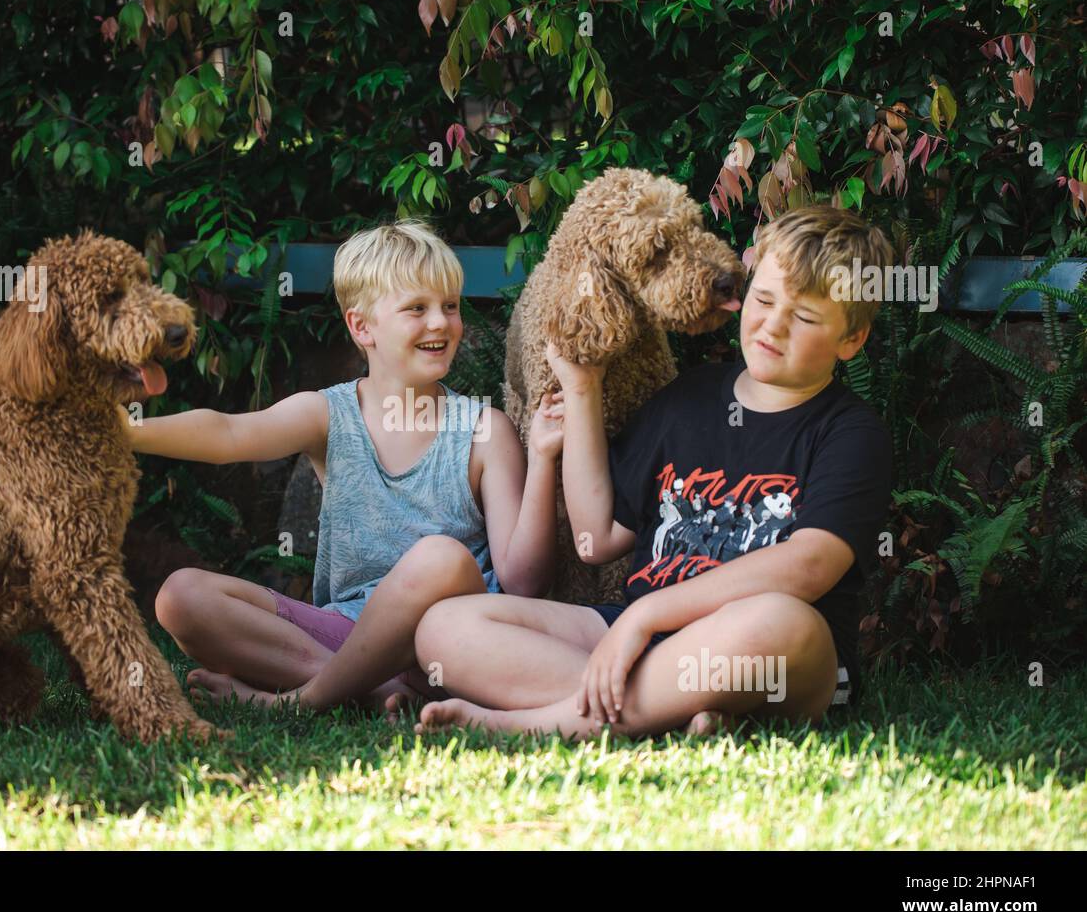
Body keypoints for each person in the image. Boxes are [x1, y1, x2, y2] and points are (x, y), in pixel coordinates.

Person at [413, 205, 894, 738]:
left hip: (757, 651)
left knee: (781, 622)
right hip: (633, 636)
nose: (772, 325)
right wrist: (582, 389)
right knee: (446, 626)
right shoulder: (688, 399)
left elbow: (809, 567)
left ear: (852, 340)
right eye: (763, 299)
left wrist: (648, 616)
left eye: (804, 317)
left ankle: (543, 724)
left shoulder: (850, 433)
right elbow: (595, 539)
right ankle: (668, 707)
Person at [128, 220, 563, 715]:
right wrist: (124, 432)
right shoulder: (330, 415)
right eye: (417, 308)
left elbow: (524, 583)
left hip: (444, 644)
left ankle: (300, 698)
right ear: (362, 327)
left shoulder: (485, 429)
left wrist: (544, 459)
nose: (441, 323)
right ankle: (371, 691)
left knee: (439, 558)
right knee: (180, 597)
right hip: (342, 633)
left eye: (450, 306)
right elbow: (228, 434)